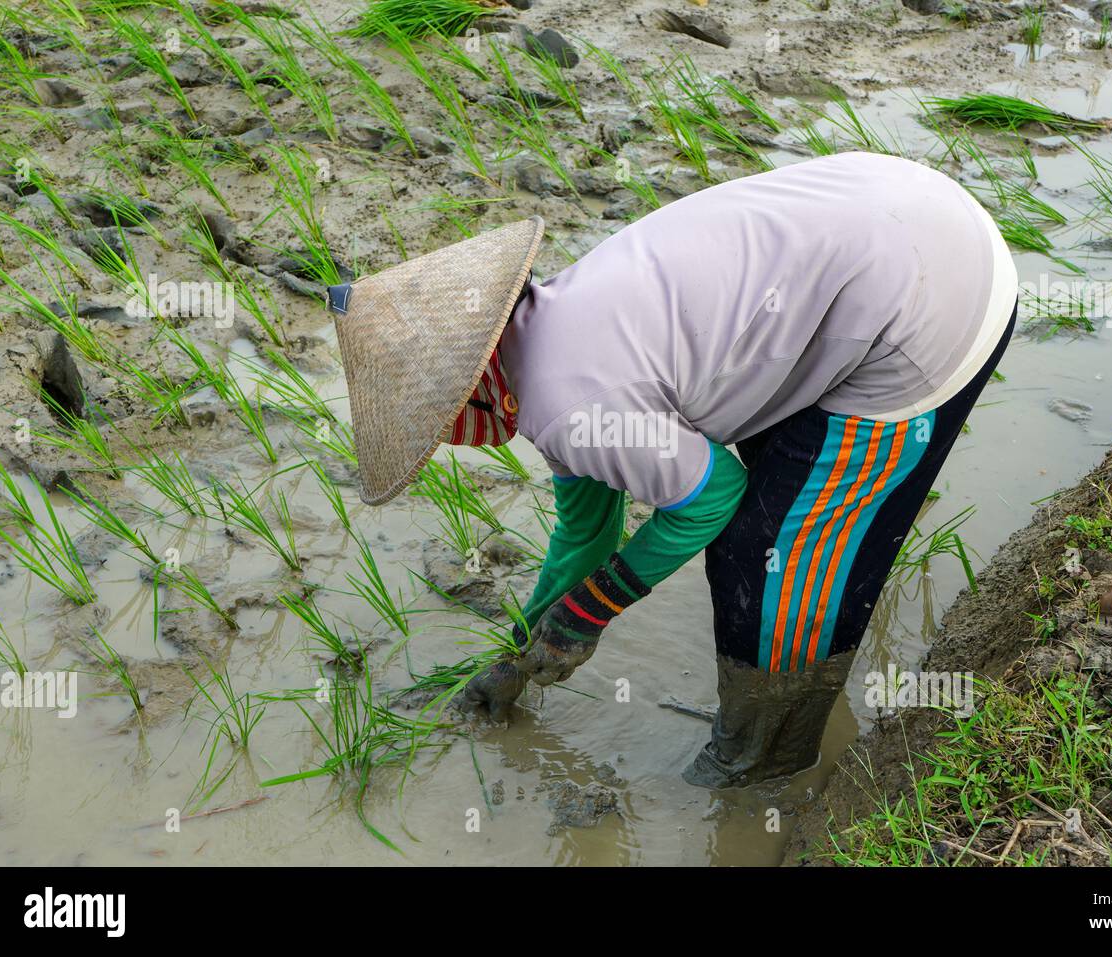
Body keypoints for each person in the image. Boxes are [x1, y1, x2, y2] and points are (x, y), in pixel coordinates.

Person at [329, 151, 1018, 788]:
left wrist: (596, 608)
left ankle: (762, 771)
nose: (455, 439)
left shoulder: (568, 404)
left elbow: (712, 493)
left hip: (931, 305)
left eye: (440, 427)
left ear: (471, 391)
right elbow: (584, 536)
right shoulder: (546, 333)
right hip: (905, 208)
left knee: (769, 557)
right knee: (780, 518)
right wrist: (520, 650)